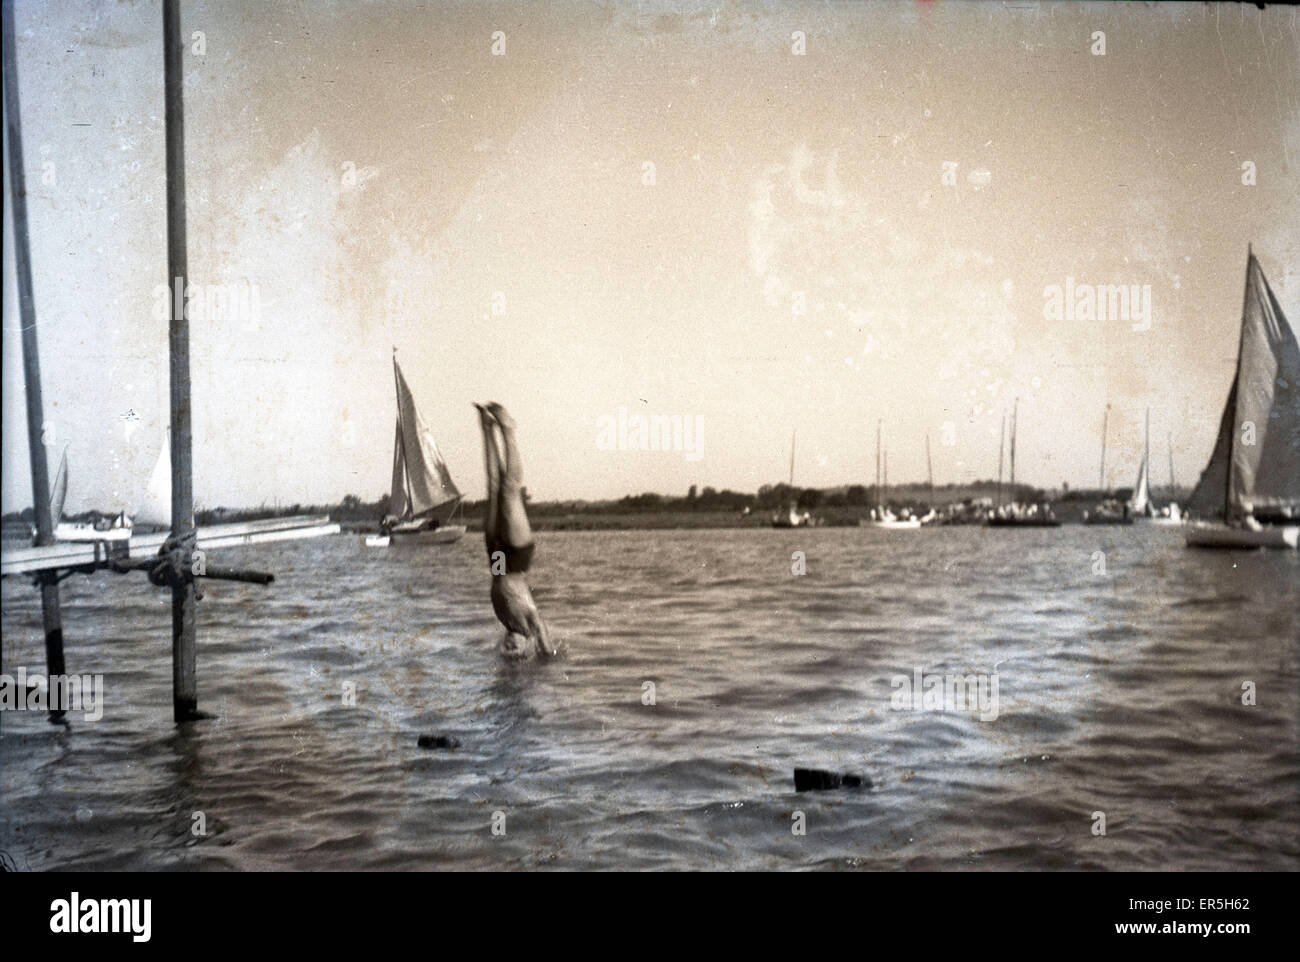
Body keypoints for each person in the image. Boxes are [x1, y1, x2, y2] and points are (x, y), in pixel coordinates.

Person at [475, 402, 556, 658]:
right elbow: (546, 645)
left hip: (497, 561)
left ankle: (487, 428)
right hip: (516, 558)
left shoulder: (509, 626)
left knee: (494, 487)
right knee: (510, 492)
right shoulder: (532, 623)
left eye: (508, 645)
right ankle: (508, 430)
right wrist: (547, 655)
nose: (509, 645)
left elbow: (507, 649)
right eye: (514, 645)